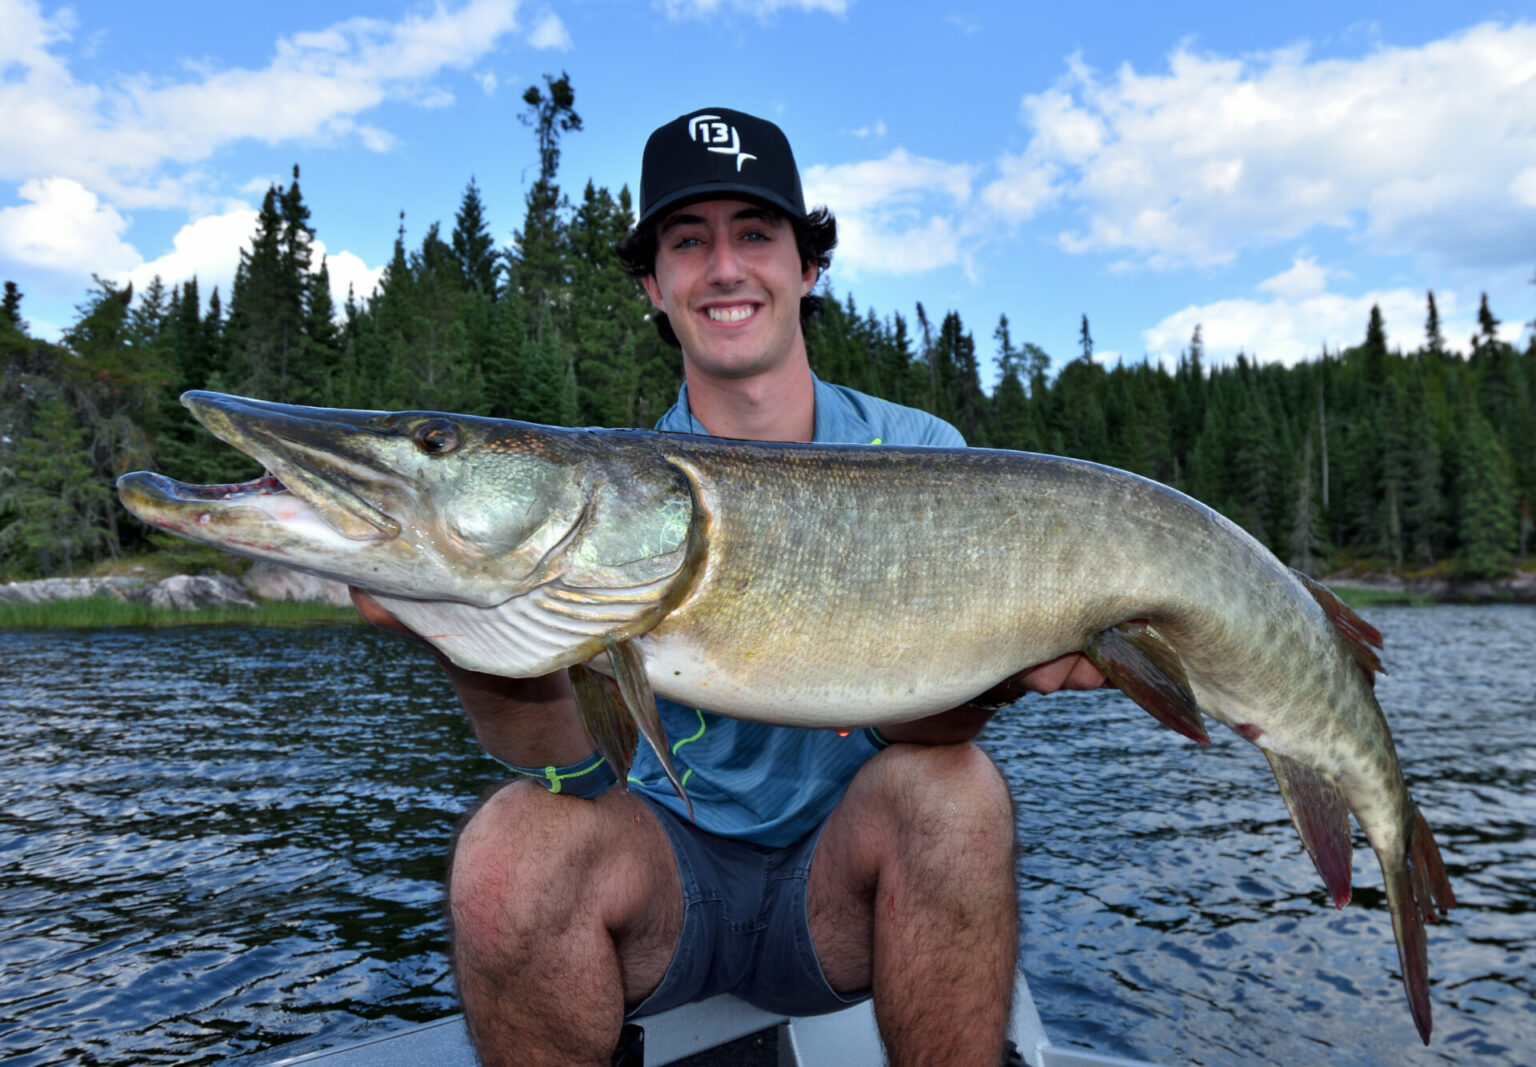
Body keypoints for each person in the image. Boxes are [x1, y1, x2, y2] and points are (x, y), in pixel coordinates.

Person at [353, 107, 1105, 1067]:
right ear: (653, 285)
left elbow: (927, 731)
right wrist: (470, 630)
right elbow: (579, 775)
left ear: (808, 265)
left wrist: (997, 675)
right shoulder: (610, 494)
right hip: (668, 885)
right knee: (509, 846)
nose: (723, 268)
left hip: (840, 884)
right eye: (686, 241)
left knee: (956, 794)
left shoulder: (925, 457)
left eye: (755, 234)